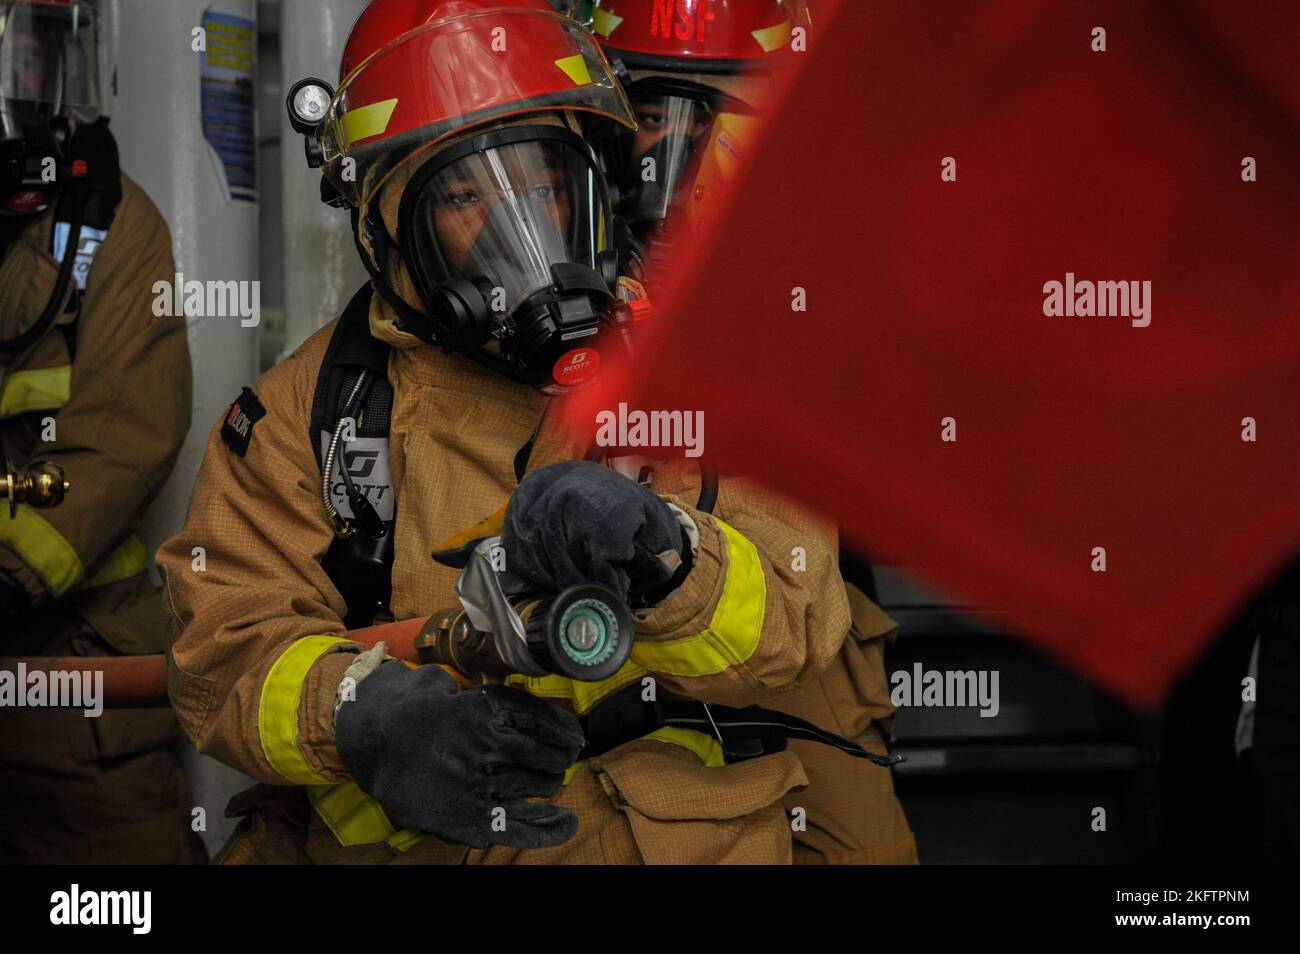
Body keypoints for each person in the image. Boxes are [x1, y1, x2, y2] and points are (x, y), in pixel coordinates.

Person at [158, 0, 865, 864]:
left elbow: (798, 617)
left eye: (543, 184)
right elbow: (220, 660)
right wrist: (365, 716)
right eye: (463, 196)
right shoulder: (309, 410)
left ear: (592, 187)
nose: (519, 230)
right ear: (387, 230)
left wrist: (662, 557)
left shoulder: (699, 368)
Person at [585, 0, 917, 864]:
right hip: (610, 619)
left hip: (804, 612)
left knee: (861, 848)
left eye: (713, 118)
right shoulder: (546, 242)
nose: (672, 152)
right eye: (650, 116)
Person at [0, 0, 202, 863]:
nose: (26, 78)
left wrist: (7, 578)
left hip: (75, 679)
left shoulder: (108, 221)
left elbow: (126, 436)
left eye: (33, 54)